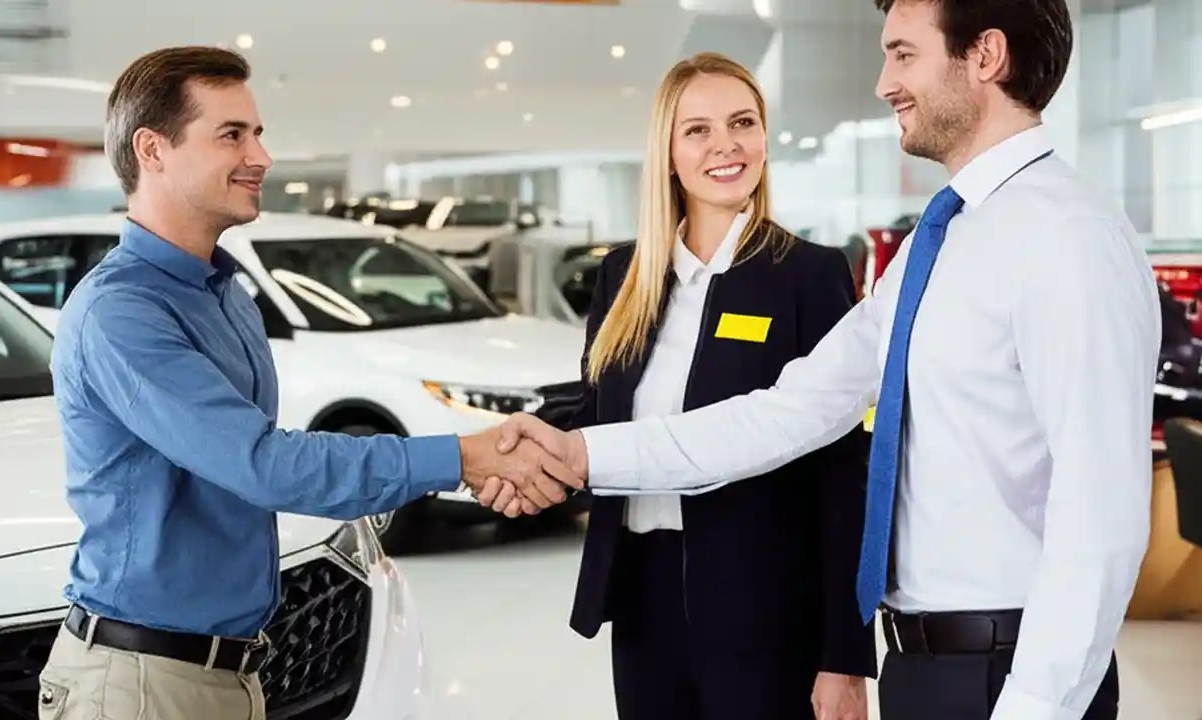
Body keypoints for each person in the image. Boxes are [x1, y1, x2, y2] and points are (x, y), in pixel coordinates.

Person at [494, 1, 1161, 719]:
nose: (883, 82)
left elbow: (1100, 513)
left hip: (1010, 669)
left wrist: (1033, 705)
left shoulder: (1068, 237)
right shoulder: (941, 240)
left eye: (903, 54)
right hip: (924, 663)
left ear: (986, 55)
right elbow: (784, 414)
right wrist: (579, 453)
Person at [39, 46, 576, 720]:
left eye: (257, 133)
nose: (260, 157)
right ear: (153, 150)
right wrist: (465, 456)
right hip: (141, 685)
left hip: (228, 671)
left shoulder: (225, 294)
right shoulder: (120, 312)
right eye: (232, 135)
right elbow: (263, 464)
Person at [485, 52, 875, 720]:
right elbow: (599, 415)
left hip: (767, 607)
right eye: (698, 130)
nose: (726, 145)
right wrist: (523, 459)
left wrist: (844, 654)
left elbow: (842, 471)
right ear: (667, 153)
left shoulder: (808, 275)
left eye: (743, 123)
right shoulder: (623, 276)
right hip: (644, 594)